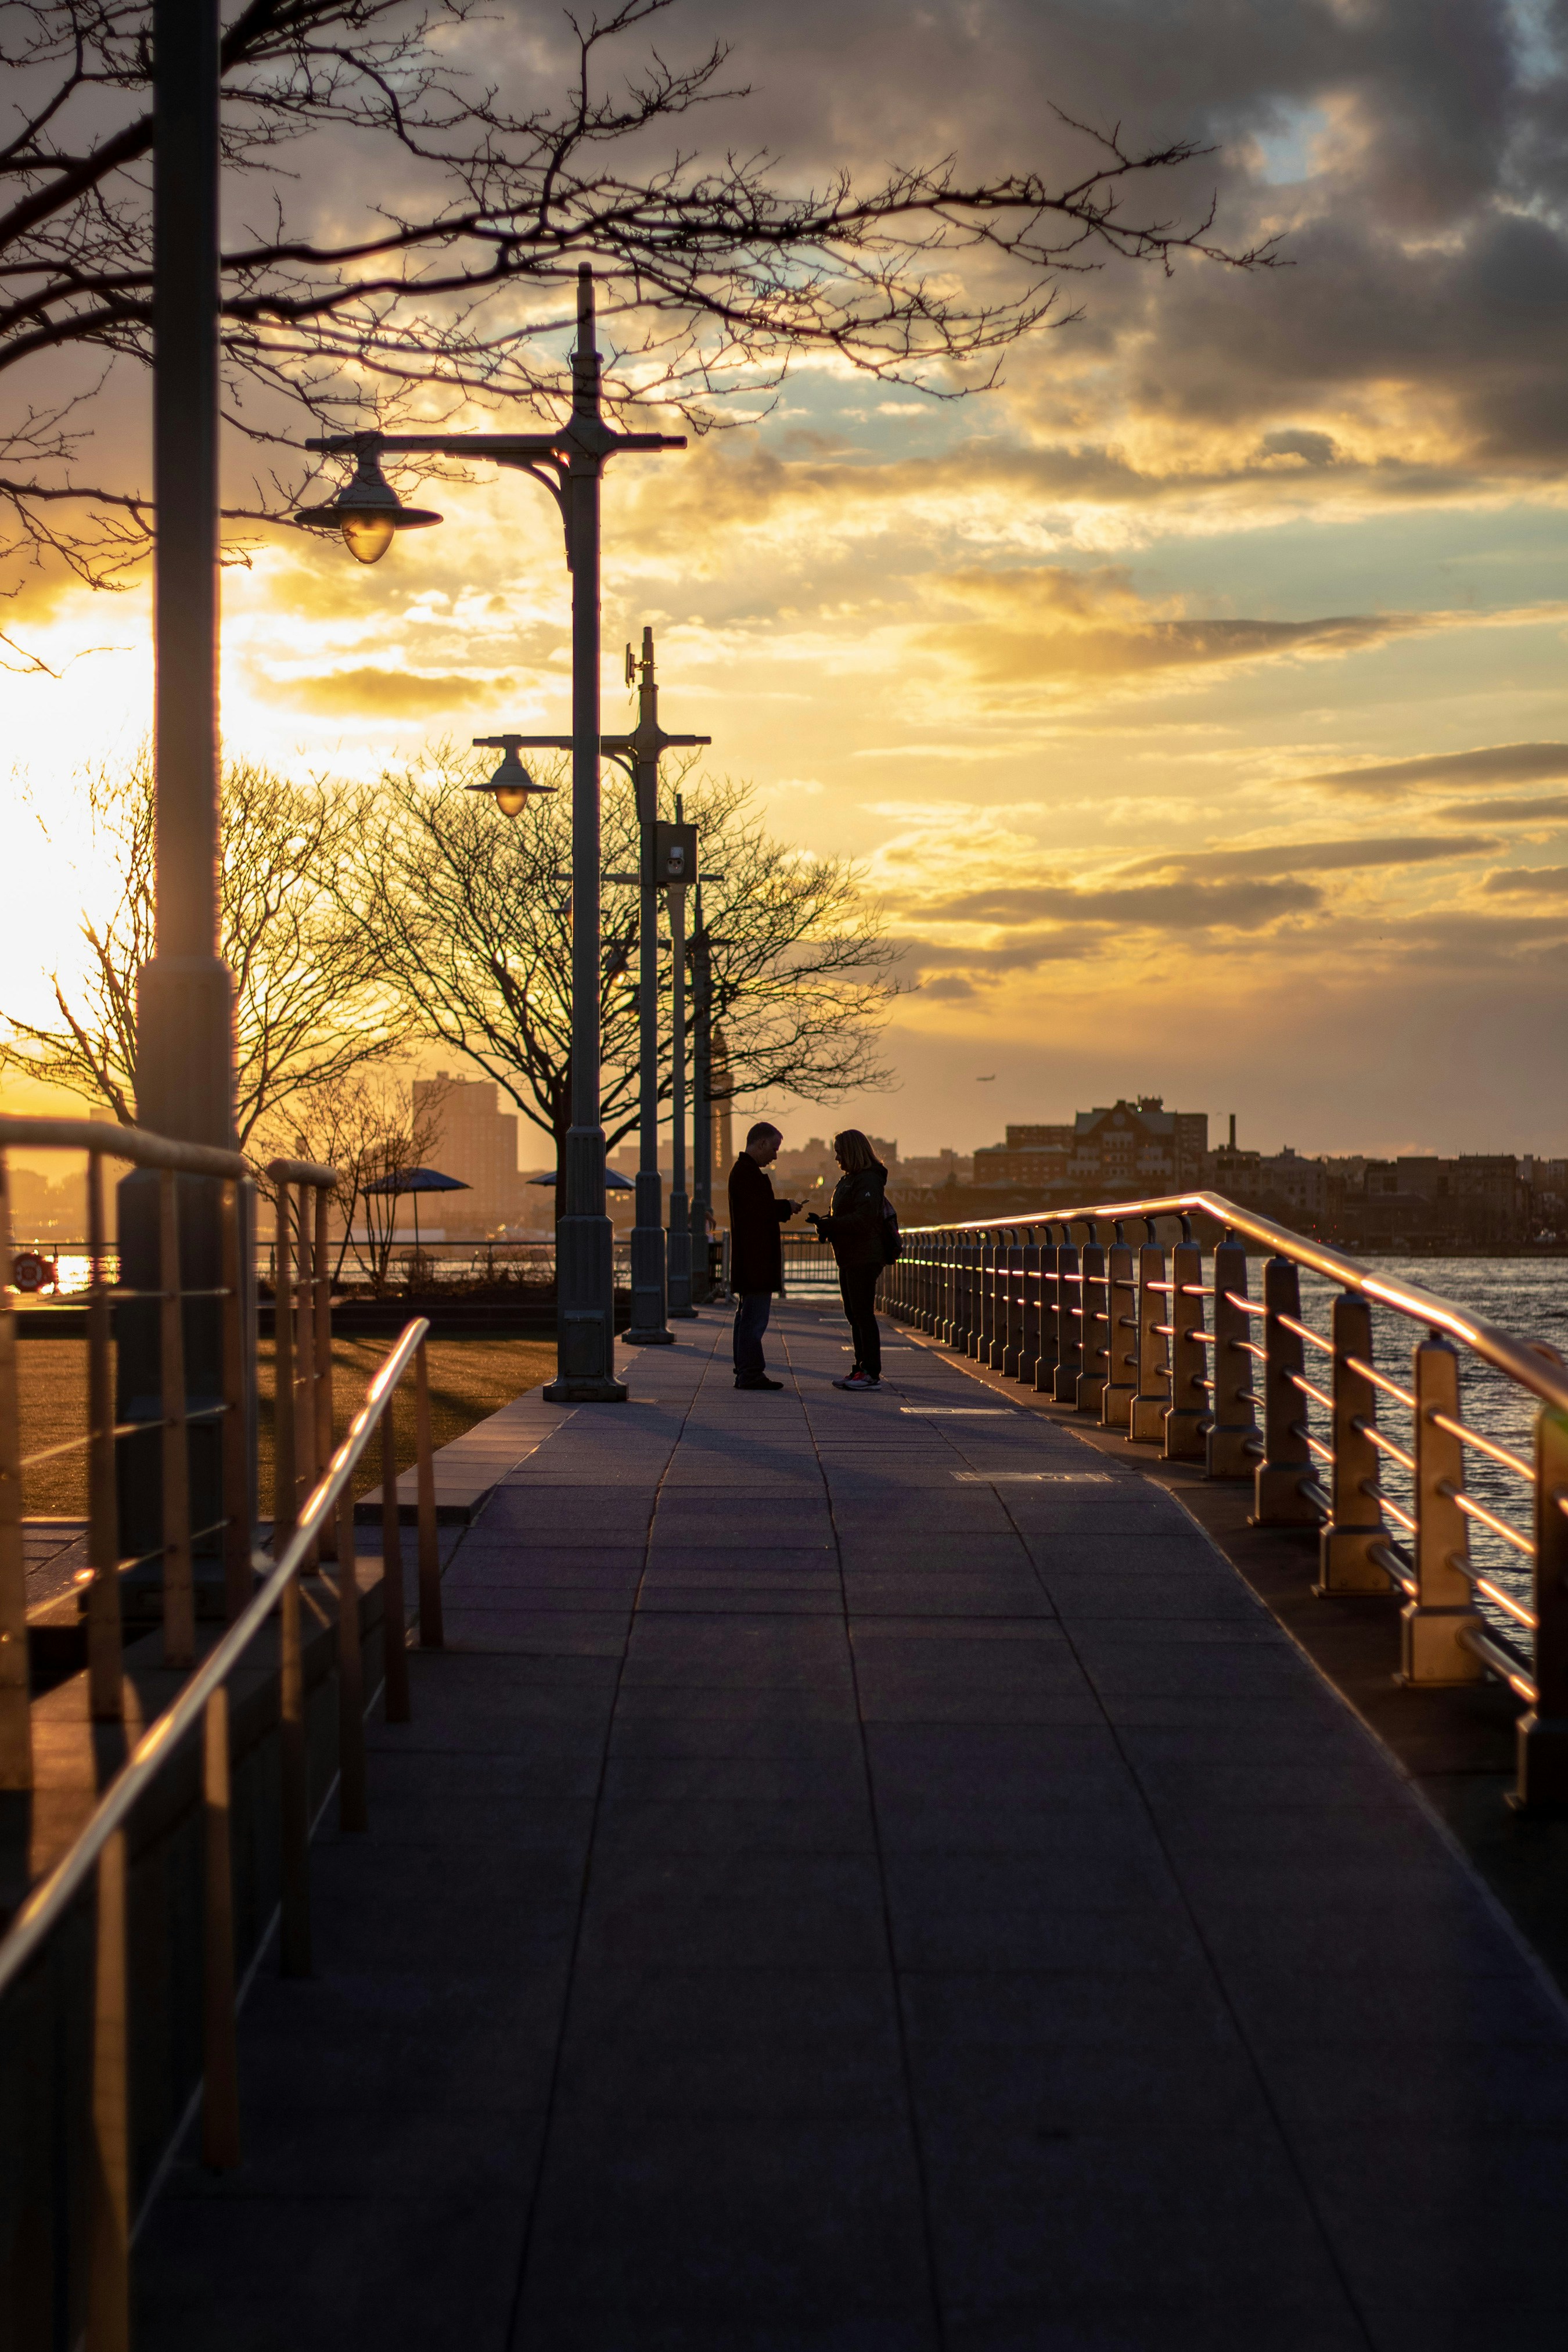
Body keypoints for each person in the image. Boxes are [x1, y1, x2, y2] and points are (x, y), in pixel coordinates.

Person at [808, 1130, 889, 1391]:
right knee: (853, 1313)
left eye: (839, 1152)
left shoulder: (868, 1181)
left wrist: (831, 1224)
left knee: (862, 1313)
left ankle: (870, 1372)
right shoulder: (850, 1180)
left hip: (864, 1255)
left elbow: (863, 1220)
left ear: (852, 1153)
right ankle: (861, 1368)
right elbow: (847, 1215)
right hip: (850, 1255)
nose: (836, 1158)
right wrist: (826, 1223)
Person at [727, 1120, 801, 1390]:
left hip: (751, 1259)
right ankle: (750, 1373)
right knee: (754, 1320)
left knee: (746, 1317)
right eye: (774, 1148)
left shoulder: (742, 1172)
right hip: (756, 1260)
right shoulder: (746, 1174)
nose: (775, 1155)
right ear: (761, 1143)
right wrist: (786, 1206)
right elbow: (759, 1211)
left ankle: (745, 1370)